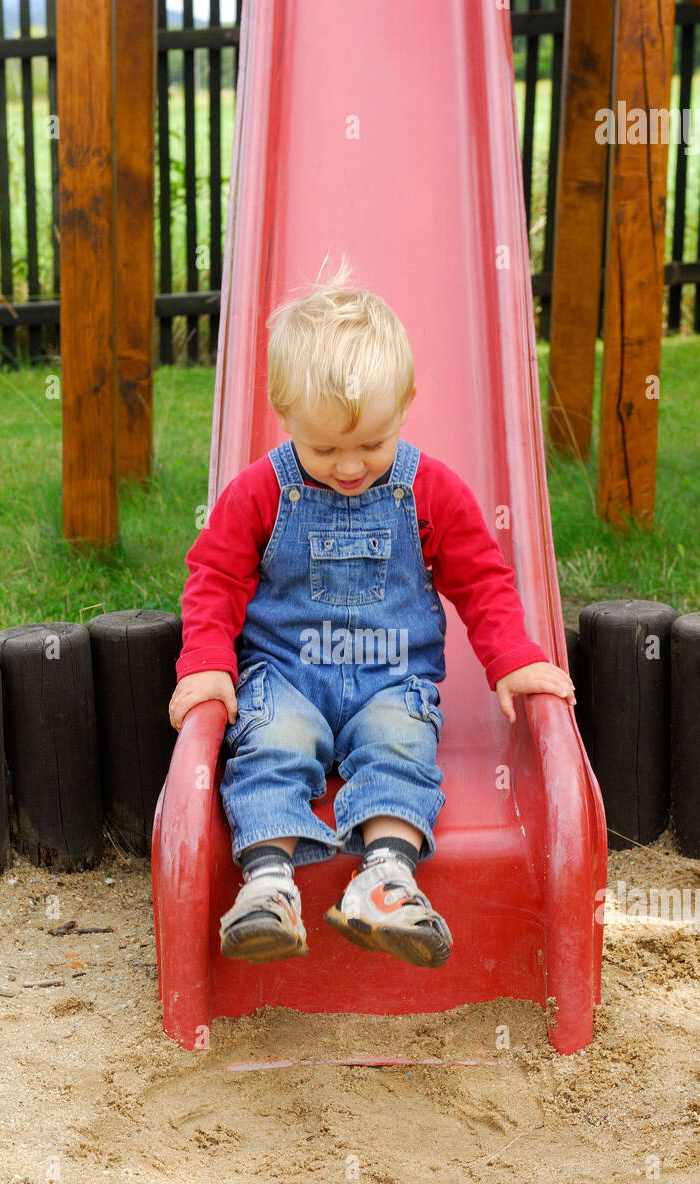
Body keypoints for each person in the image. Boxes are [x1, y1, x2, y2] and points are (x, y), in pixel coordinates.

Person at [169, 258, 575, 970]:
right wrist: (205, 665)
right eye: (325, 448)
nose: (351, 467)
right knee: (271, 746)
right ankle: (267, 886)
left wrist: (514, 657)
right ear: (282, 412)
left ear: (408, 402)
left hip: (390, 678)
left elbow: (482, 578)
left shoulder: (429, 490)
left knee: (399, 746)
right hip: (286, 675)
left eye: (371, 445)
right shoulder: (260, 491)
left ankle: (384, 879)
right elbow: (215, 578)